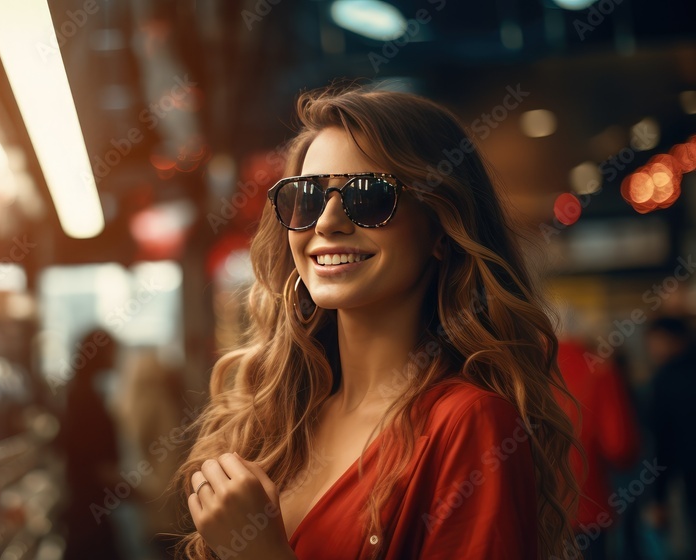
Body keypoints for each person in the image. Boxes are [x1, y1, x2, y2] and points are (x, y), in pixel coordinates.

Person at [175, 85, 582, 559]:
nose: (326, 222)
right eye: (306, 199)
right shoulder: (276, 418)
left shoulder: (468, 424)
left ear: (440, 227)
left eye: (367, 197)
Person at [555, 337, 641, 559]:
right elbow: (620, 447)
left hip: (531, 512)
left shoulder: (521, 368)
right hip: (586, 510)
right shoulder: (599, 371)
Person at [61, 328, 125, 560]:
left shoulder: (81, 395)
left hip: (86, 511)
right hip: (89, 514)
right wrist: (149, 496)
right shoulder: (85, 401)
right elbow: (98, 466)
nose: (117, 357)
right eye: (112, 351)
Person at [645, 316, 696, 558]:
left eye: (656, 342)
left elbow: (663, 443)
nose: (652, 350)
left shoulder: (667, 378)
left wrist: (659, 498)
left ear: (674, 340)